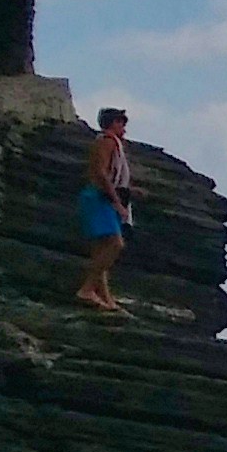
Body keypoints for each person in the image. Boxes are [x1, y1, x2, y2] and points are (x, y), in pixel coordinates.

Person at [74, 107, 135, 312]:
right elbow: (101, 172)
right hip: (99, 198)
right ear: (113, 123)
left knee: (102, 250)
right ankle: (87, 289)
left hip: (102, 197)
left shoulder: (111, 143)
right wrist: (117, 201)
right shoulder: (107, 141)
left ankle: (106, 299)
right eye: (121, 123)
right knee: (115, 244)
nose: (124, 128)